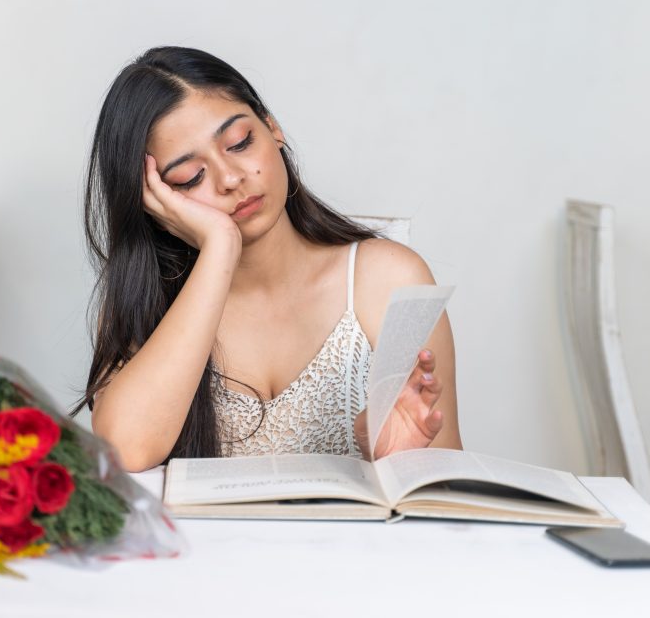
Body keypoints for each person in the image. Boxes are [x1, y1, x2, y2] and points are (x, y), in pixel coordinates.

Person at [74, 46, 461, 472]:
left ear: (272, 127)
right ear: (154, 200)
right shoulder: (145, 305)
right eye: (190, 177)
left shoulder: (389, 280)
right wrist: (221, 246)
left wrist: (403, 464)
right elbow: (125, 452)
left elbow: (448, 501)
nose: (231, 179)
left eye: (240, 143)